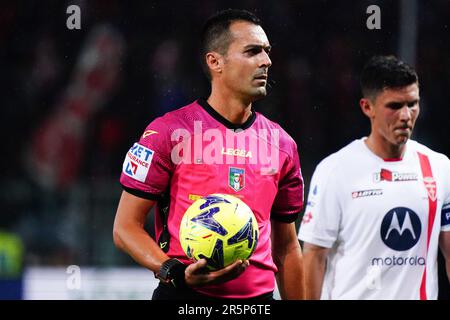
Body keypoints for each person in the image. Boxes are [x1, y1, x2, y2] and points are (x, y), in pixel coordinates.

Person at [113, 9, 305, 300]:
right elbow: (125, 228)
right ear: (215, 62)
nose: (266, 61)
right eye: (253, 51)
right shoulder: (168, 133)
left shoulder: (282, 144)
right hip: (183, 297)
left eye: (266, 52)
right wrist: (173, 271)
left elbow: (287, 248)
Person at [298, 55, 450, 300]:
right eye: (394, 106)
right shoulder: (335, 170)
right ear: (367, 107)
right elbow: (314, 255)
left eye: (413, 104)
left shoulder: (439, 168)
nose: (406, 115)